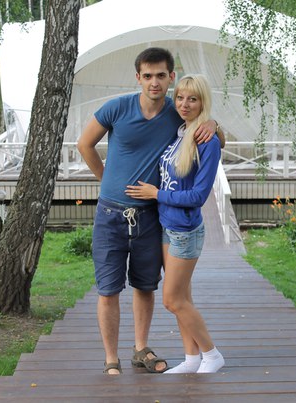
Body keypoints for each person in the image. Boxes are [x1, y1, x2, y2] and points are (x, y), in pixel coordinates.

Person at [77, 47, 222, 375]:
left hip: (151, 216)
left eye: (160, 76)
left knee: (146, 286)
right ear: (138, 77)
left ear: (171, 77)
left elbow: (205, 127)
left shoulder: (176, 110)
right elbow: (84, 144)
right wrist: (106, 180)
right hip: (111, 215)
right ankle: (111, 359)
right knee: (108, 288)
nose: (154, 82)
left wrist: (214, 124)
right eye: (147, 76)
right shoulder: (117, 107)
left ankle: (140, 349)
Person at [125, 74, 225, 374]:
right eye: (180, 97)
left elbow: (197, 196)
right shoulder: (180, 131)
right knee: (183, 298)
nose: (184, 104)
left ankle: (212, 355)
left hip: (185, 231)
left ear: (203, 102)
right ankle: (192, 359)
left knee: (172, 300)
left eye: (192, 99)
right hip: (167, 227)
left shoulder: (206, 142)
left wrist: (156, 194)